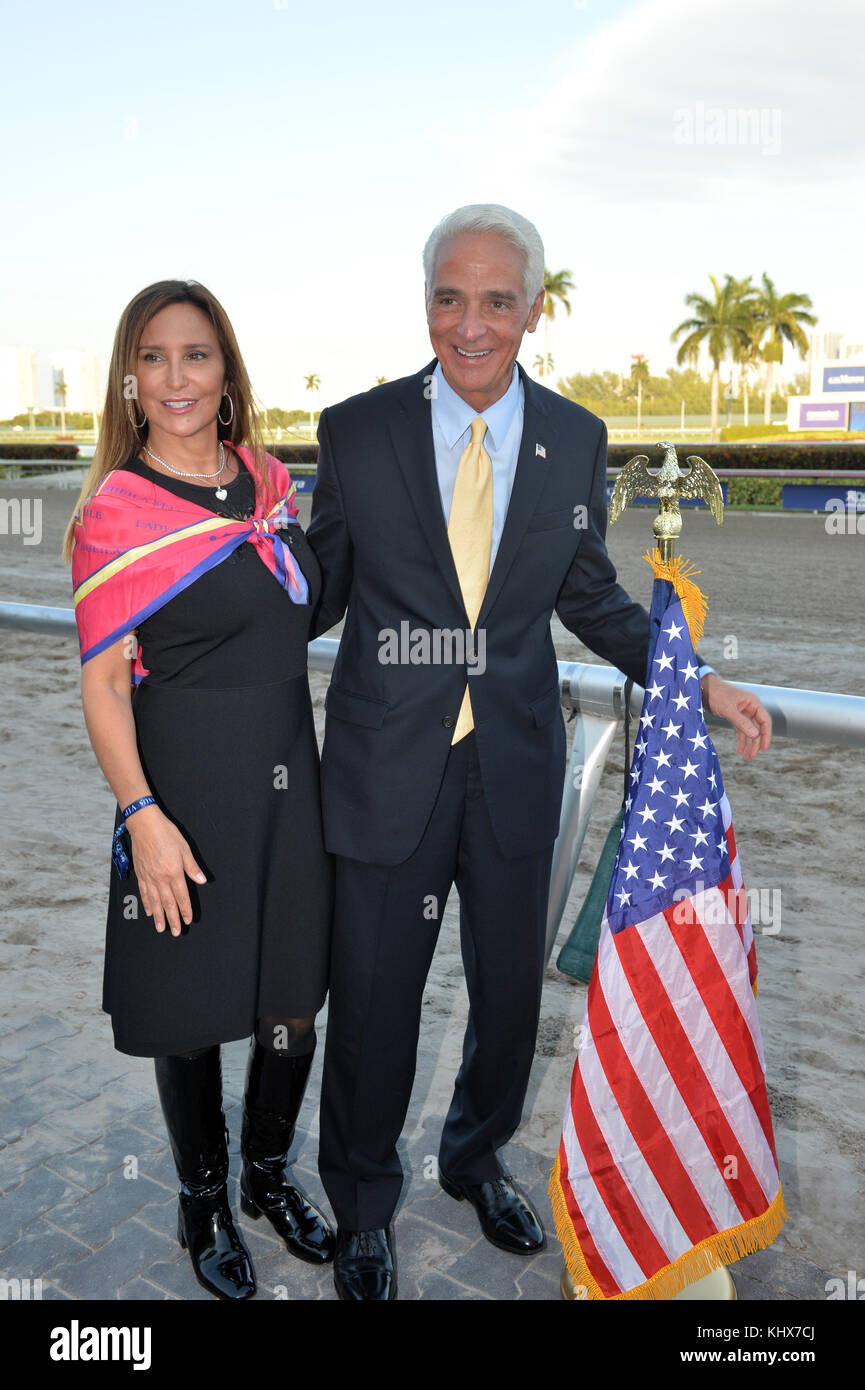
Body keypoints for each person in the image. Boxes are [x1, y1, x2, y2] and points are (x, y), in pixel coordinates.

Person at [305, 204, 771, 1301]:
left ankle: (473, 1159)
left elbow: (587, 598)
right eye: (449, 298)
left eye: (496, 300)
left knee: (508, 996)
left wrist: (691, 678)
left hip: (513, 764)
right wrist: (212, 617)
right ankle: (364, 1203)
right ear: (426, 303)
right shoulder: (355, 430)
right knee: (371, 1001)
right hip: (385, 768)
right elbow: (316, 586)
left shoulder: (575, 437)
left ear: (534, 310)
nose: (471, 324)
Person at [64, 281, 334, 1300]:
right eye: (154, 357)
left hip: (284, 786)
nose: (176, 377)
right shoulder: (115, 512)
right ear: (130, 381)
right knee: (187, 1008)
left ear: (226, 371)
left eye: (196, 354)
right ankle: (204, 1197)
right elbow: (99, 683)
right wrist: (142, 817)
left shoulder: (269, 484)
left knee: (290, 1006)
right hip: (177, 792)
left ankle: (267, 1177)